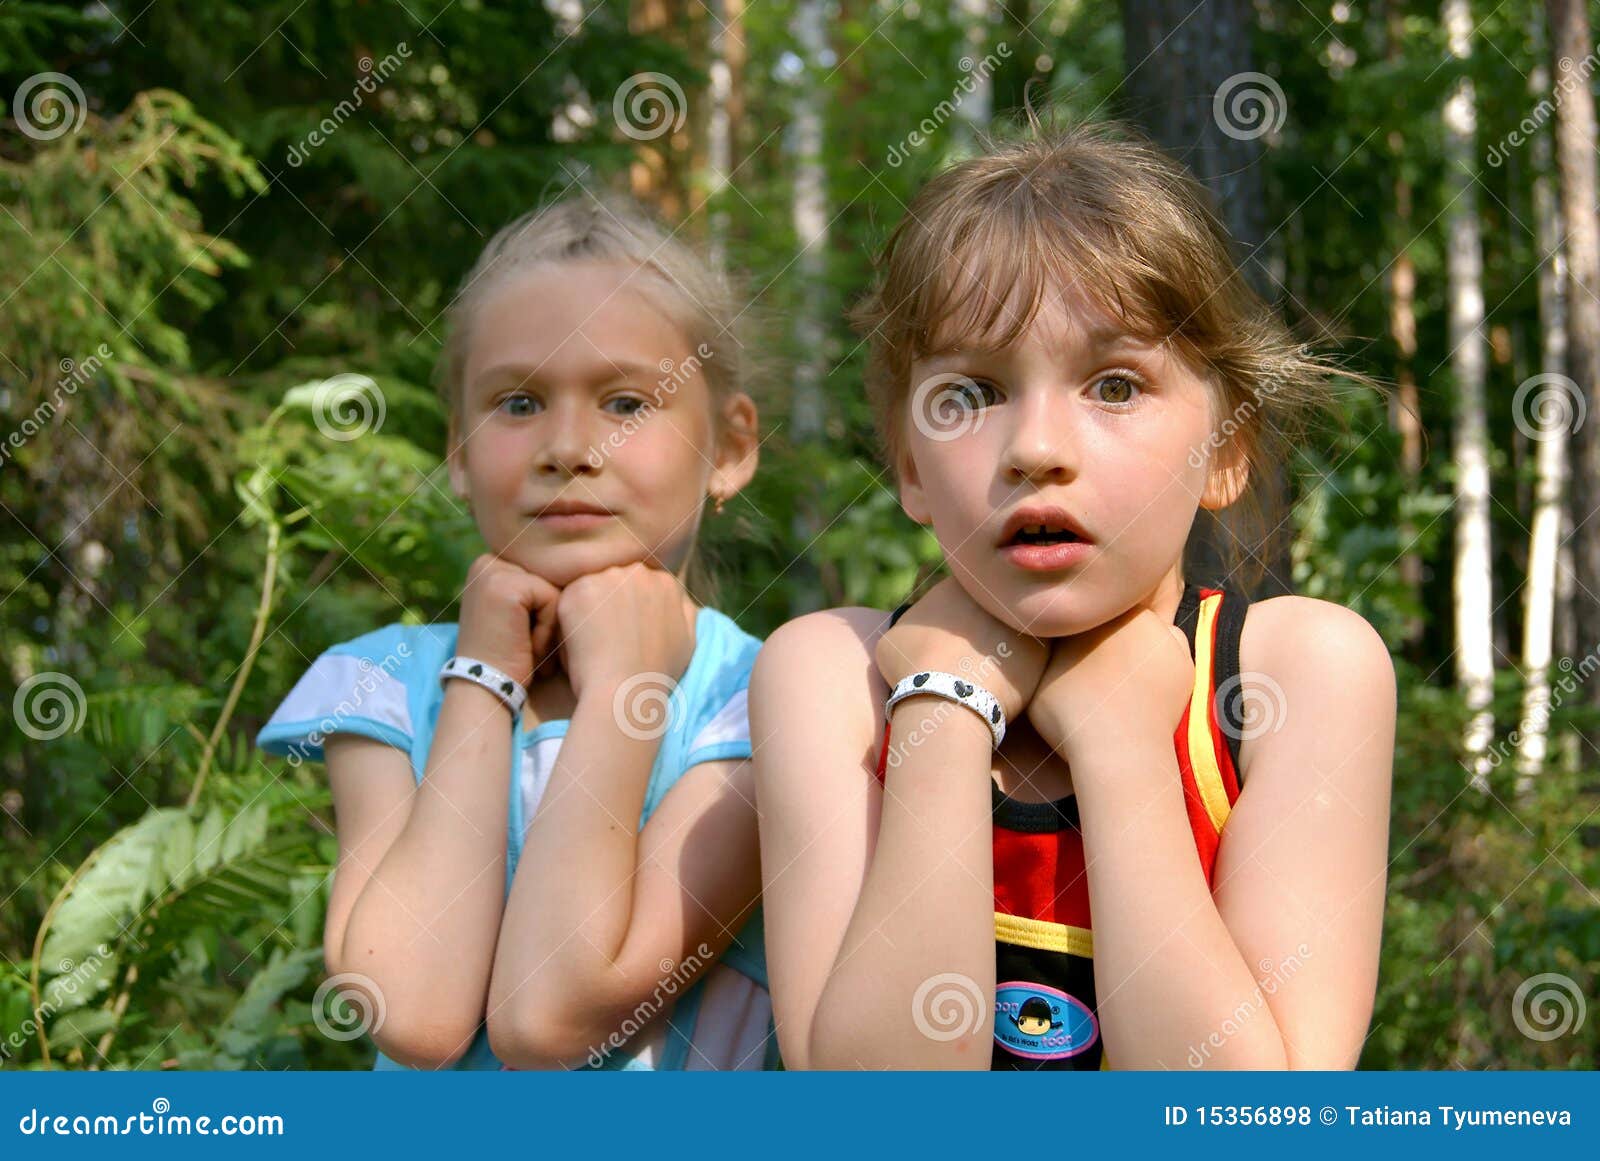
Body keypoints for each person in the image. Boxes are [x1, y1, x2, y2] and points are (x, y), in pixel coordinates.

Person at [750, 119, 1396, 1070]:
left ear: (1226, 448)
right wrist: (945, 711)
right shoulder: (835, 679)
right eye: (972, 394)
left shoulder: (1293, 676)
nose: (1036, 448)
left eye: (1116, 385)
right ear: (910, 466)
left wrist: (1123, 744)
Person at [257, 193, 777, 1071]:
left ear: (728, 449)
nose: (567, 447)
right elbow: (413, 1012)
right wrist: (484, 677)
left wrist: (623, 691)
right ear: (459, 452)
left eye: (626, 401)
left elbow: (550, 1017)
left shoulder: (770, 701)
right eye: (519, 402)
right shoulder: (382, 686)